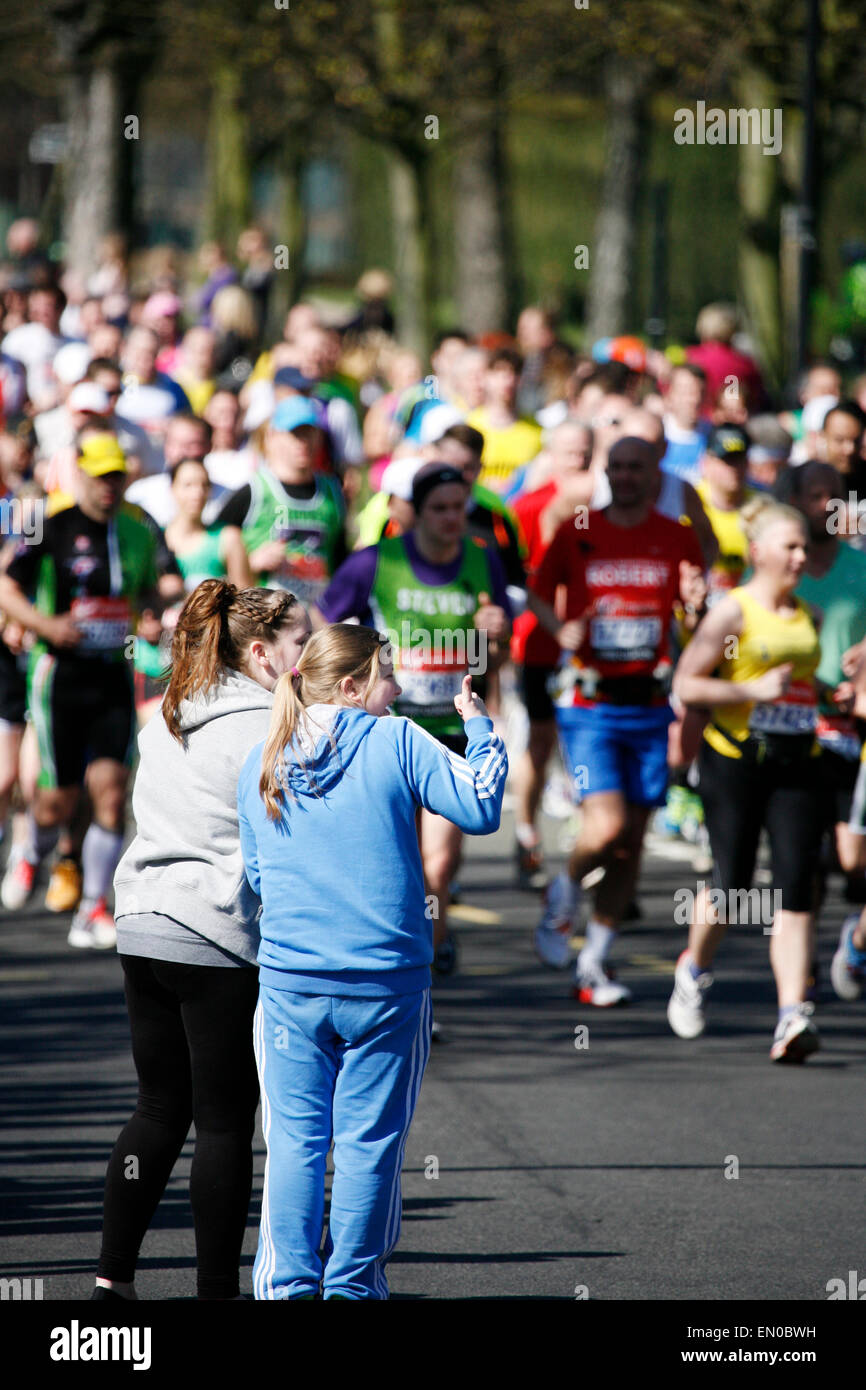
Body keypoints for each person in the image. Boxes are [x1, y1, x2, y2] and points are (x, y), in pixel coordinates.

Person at [238, 625, 506, 1299]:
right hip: (387, 982)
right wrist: (481, 730)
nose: (399, 691)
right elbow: (479, 805)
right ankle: (353, 1286)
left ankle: (289, 1285)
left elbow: (256, 875)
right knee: (369, 1142)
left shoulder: (263, 755)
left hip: (292, 981)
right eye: (388, 677)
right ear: (354, 684)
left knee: (295, 1142)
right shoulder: (400, 740)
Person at [90, 580, 311, 1302]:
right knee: (223, 1121)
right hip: (215, 933)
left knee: (157, 1108)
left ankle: (111, 1279)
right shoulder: (273, 727)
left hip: (142, 923)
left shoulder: (169, 714)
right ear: (260, 652)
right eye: (299, 641)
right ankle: (215, 1291)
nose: (307, 654)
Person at [314, 462, 512, 974]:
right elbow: (323, 627)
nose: (452, 518)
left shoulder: (482, 559)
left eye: (459, 508)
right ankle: (398, 958)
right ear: (412, 514)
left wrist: (497, 633)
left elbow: (500, 649)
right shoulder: (374, 563)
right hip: (385, 735)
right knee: (394, 862)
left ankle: (422, 976)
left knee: (437, 865)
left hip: (452, 734)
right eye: (439, 509)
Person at [527, 436, 706, 1002]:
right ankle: (564, 887)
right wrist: (560, 631)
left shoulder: (676, 535)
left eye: (637, 467)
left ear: (656, 473)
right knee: (603, 829)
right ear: (607, 472)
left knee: (630, 844)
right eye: (617, 466)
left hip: (650, 706)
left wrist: (698, 607)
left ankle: (595, 964)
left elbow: (697, 615)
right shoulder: (580, 529)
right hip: (591, 706)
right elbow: (534, 592)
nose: (626, 476)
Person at [666, 498, 835, 1062]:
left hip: (797, 761)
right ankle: (695, 966)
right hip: (734, 760)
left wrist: (841, 692)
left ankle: (792, 1016)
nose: (800, 556)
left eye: (804, 548)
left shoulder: (806, 614)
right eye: (789, 547)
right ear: (758, 552)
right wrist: (749, 692)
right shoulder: (732, 613)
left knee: (796, 886)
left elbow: (803, 685)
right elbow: (689, 685)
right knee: (733, 886)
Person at [0, 433, 163, 943]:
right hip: (60, 675)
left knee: (112, 794)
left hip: (113, 671)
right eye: (100, 476)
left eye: (116, 476)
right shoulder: (52, 526)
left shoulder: (137, 531)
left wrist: (151, 617)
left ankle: (92, 906)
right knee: (56, 801)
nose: (109, 487)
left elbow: (150, 590)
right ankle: (31, 850)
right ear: (80, 475)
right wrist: (45, 626)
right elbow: (6, 587)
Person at [215, 396, 347, 604]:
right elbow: (209, 554)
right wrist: (250, 562)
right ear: (272, 436)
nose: (303, 442)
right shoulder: (253, 491)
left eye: (310, 433)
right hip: (264, 618)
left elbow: (340, 555)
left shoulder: (333, 491)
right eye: (295, 434)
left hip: (318, 616)